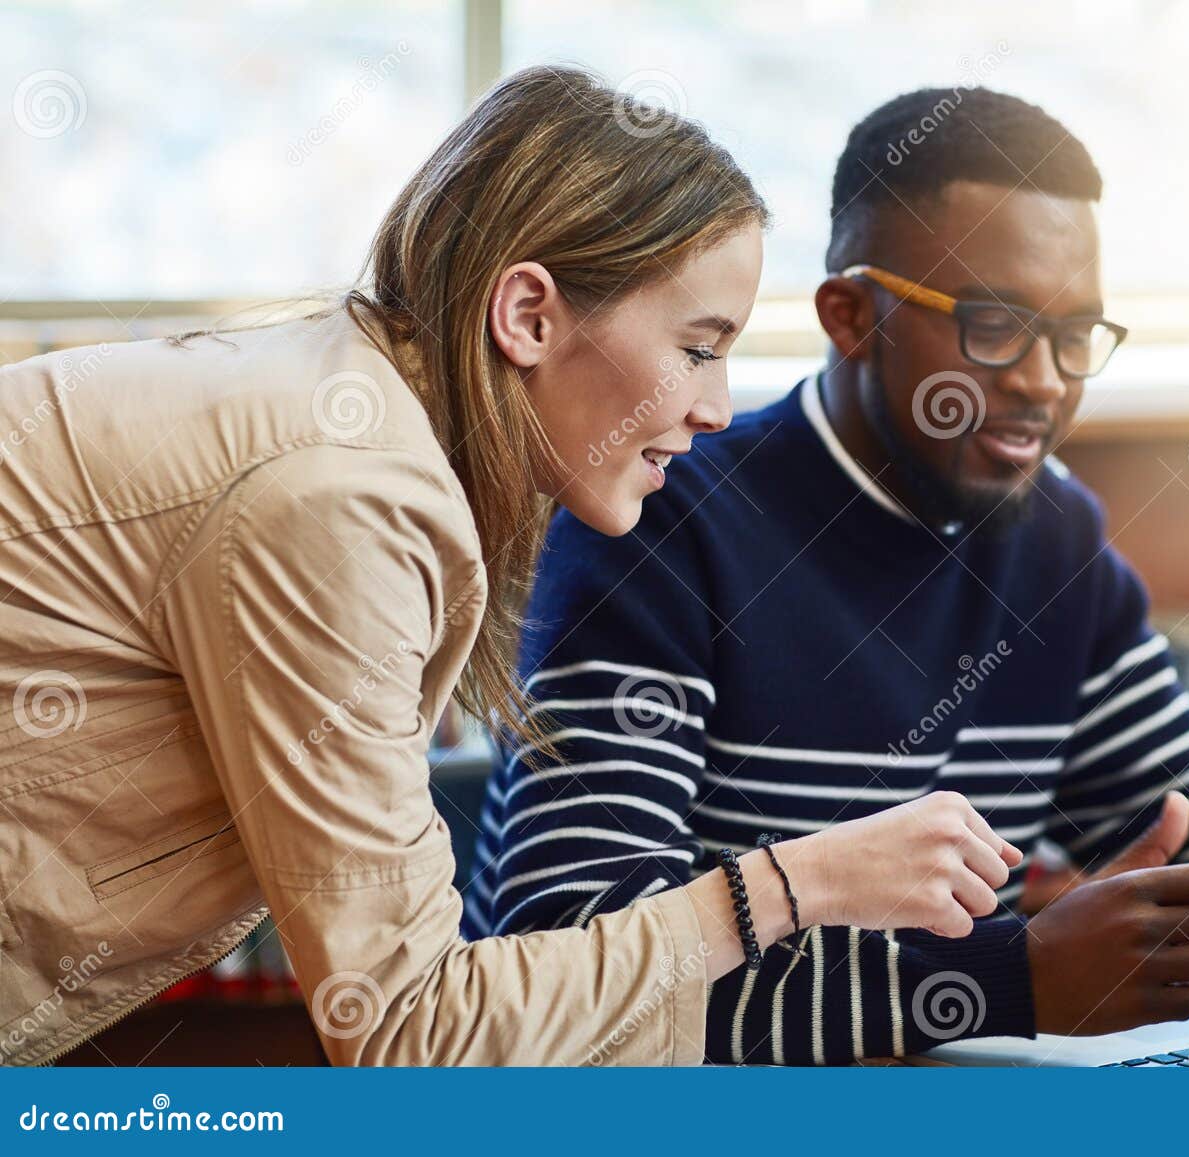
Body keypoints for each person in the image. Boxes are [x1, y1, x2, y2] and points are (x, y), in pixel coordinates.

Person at [0, 66, 1017, 1068]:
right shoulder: (339, 498)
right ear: (528, 315)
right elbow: (415, 1036)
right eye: (699, 346)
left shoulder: (352, 428)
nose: (716, 407)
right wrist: (793, 887)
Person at [467, 87, 1189, 1064]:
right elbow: (576, 982)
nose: (1044, 380)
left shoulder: (1050, 536)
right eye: (993, 324)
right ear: (850, 316)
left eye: (1073, 336)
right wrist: (1008, 977)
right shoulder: (649, 520)